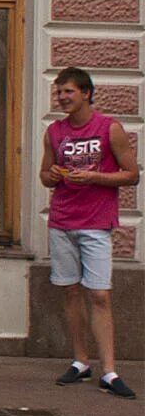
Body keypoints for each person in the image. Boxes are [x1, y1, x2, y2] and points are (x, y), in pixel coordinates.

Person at [40, 66, 139, 398]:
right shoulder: (54, 131)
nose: (62, 97)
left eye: (68, 91)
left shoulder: (109, 128)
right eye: (59, 92)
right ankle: (81, 361)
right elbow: (44, 174)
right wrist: (53, 175)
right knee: (70, 292)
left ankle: (109, 370)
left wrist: (95, 177)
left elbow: (132, 174)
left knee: (99, 295)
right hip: (62, 221)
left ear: (86, 93)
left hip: (96, 223)